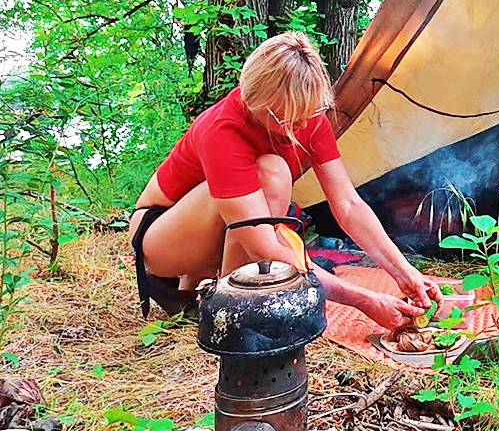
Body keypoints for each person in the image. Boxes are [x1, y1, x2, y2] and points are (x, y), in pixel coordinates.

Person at [129, 32, 441, 331]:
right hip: (158, 240)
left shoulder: (306, 115)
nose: (301, 125)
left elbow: (348, 204)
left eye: (308, 112)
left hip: (214, 228)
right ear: (255, 102)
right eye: (288, 117)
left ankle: (212, 290)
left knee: (272, 175)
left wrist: (406, 274)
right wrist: (364, 300)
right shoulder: (222, 130)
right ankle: (228, 304)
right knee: (271, 173)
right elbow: (265, 247)